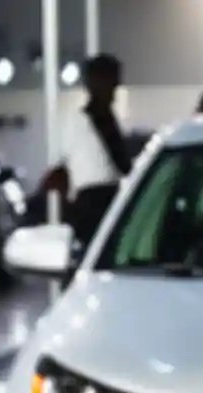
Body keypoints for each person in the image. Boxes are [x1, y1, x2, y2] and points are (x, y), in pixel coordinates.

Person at [44, 54, 133, 279]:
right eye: (112, 83)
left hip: (87, 203)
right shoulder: (100, 120)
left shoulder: (80, 121)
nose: (114, 90)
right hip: (98, 202)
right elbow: (124, 165)